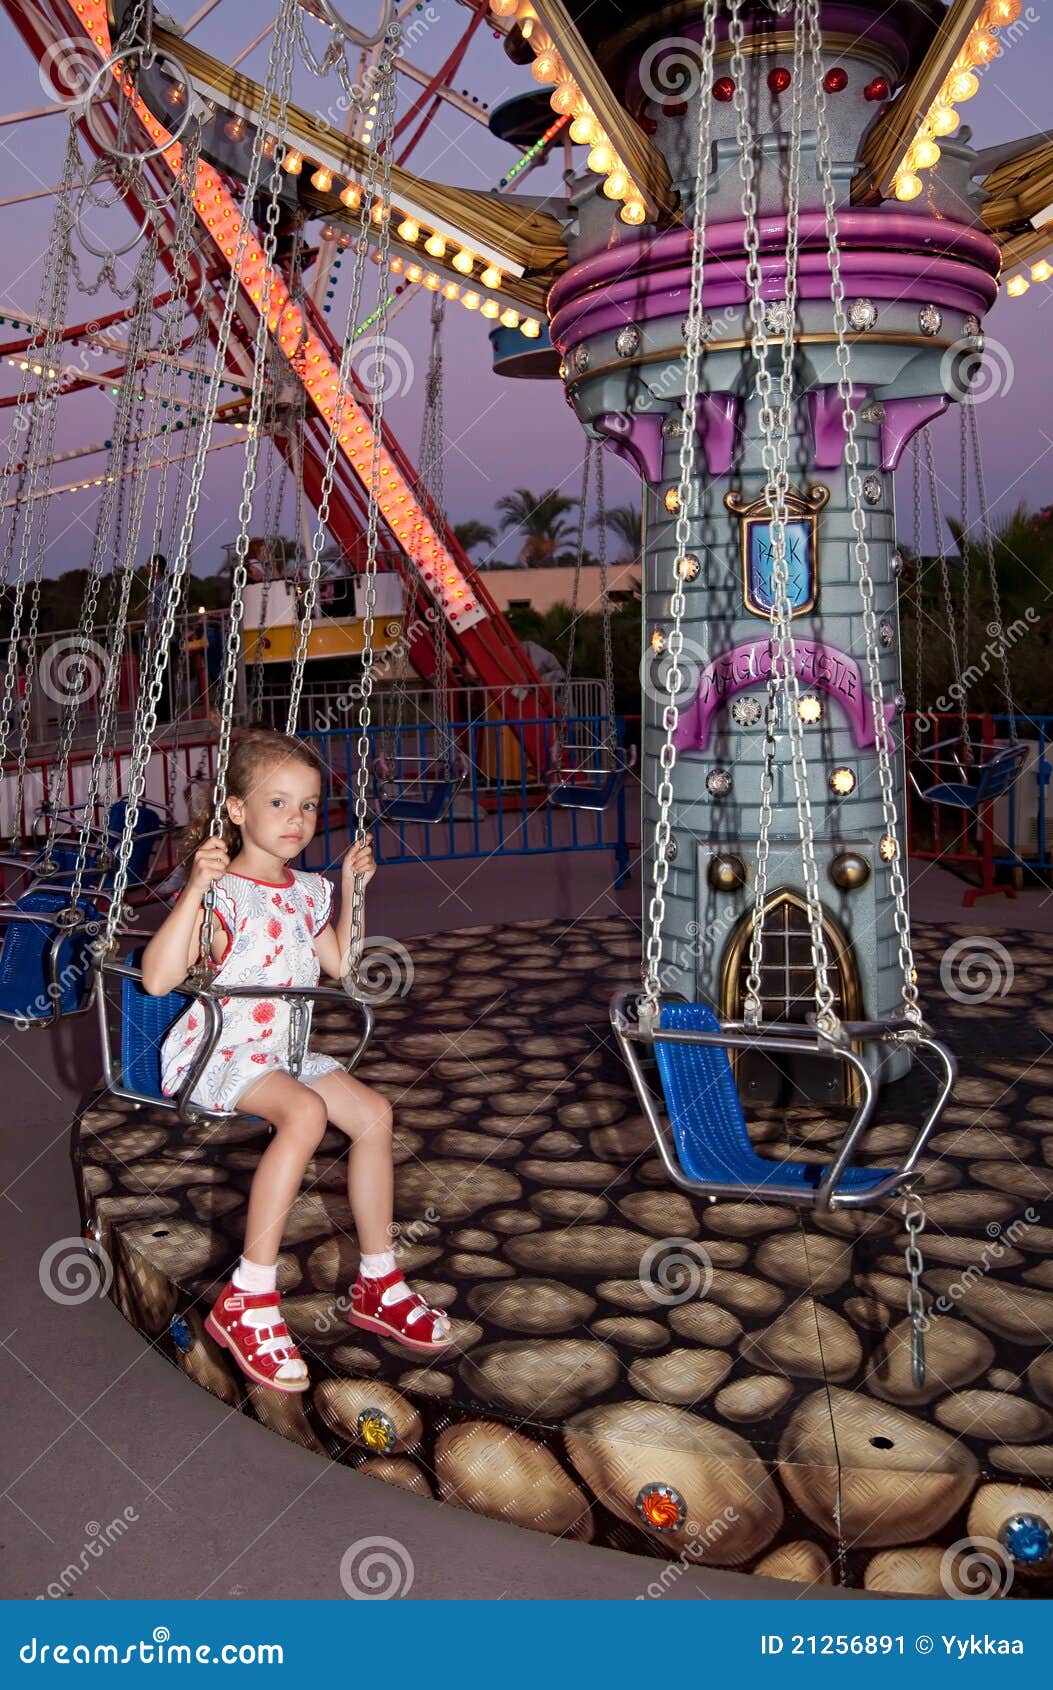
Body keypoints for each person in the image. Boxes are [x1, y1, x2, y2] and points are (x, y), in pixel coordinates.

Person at [140, 727, 452, 1393]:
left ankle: (377, 1279)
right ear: (236, 810)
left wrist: (353, 890)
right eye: (277, 803)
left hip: (282, 1049)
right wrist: (196, 887)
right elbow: (159, 980)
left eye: (308, 806)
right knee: (305, 1114)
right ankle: (248, 1299)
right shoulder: (222, 892)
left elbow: (341, 967)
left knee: (372, 1114)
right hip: (219, 1049)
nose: (296, 819)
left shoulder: (310, 891)